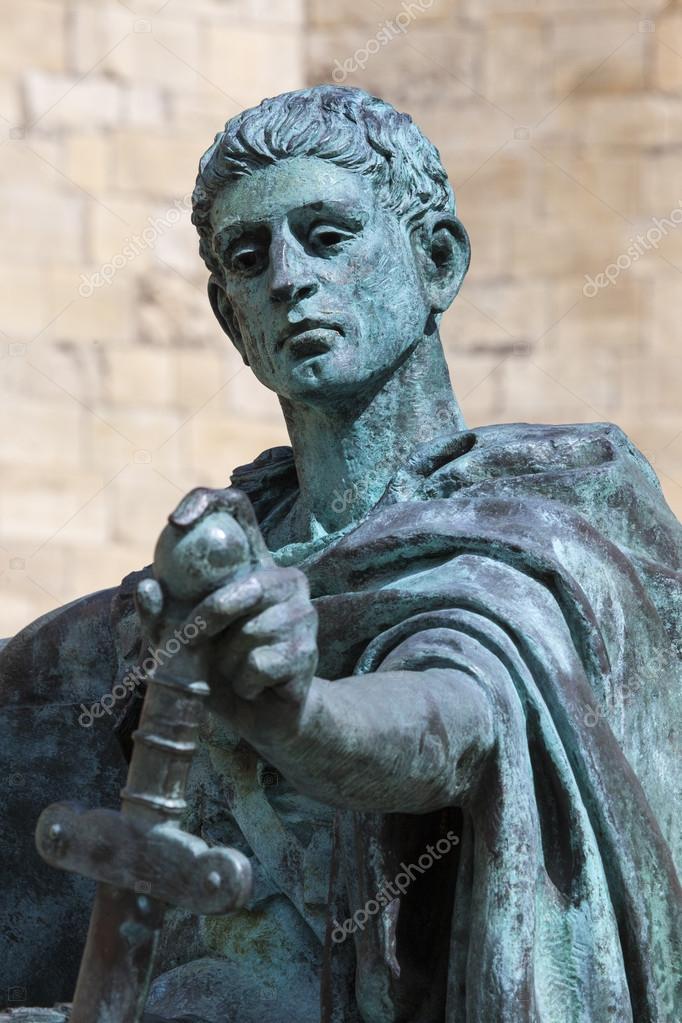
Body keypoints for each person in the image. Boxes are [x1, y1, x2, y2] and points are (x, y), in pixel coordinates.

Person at [1, 86, 679, 1023]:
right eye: (250, 258)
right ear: (232, 318)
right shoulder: (196, 576)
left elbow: (453, 722)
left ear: (436, 261)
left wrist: (297, 712)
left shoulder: (544, 517)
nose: (288, 277)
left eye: (327, 237)